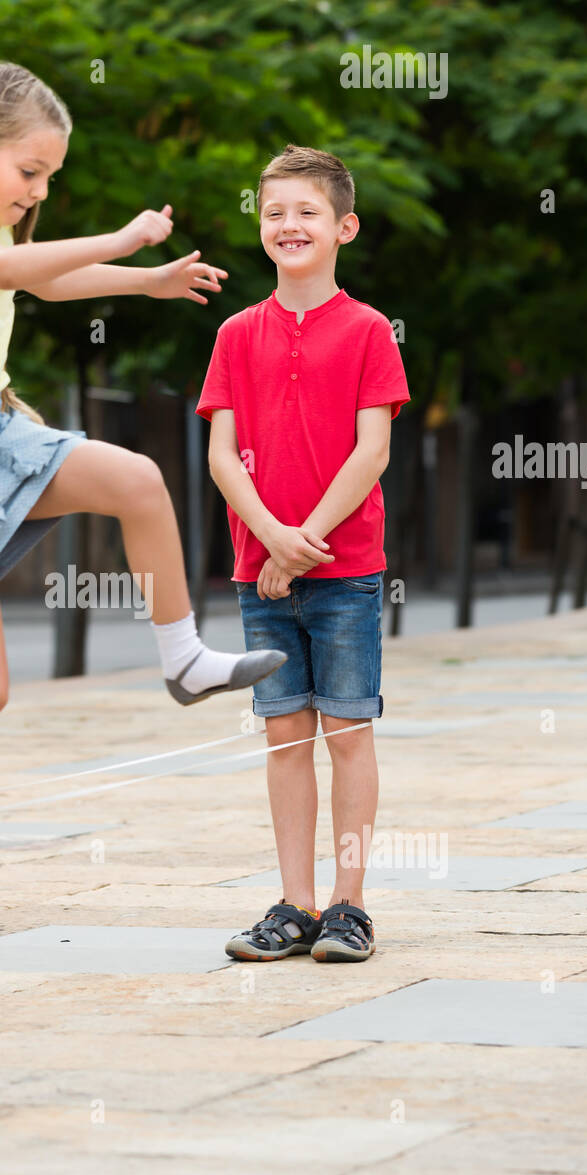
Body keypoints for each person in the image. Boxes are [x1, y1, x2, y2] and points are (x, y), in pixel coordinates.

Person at [0, 61, 286, 937]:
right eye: (28, 173)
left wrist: (143, 283)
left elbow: (37, 278)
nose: (37, 191)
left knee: (137, 482)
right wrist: (119, 241)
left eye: (48, 178)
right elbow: (3, 270)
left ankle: (183, 658)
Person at [200, 145, 409, 964]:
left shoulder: (366, 331)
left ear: (342, 227)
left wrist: (304, 540)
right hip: (261, 573)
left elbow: (371, 453)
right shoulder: (233, 334)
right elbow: (222, 455)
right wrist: (271, 542)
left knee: (348, 732)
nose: (288, 225)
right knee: (284, 736)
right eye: (274, 212)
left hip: (346, 571)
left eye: (306, 212)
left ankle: (348, 907)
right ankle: (291, 904)